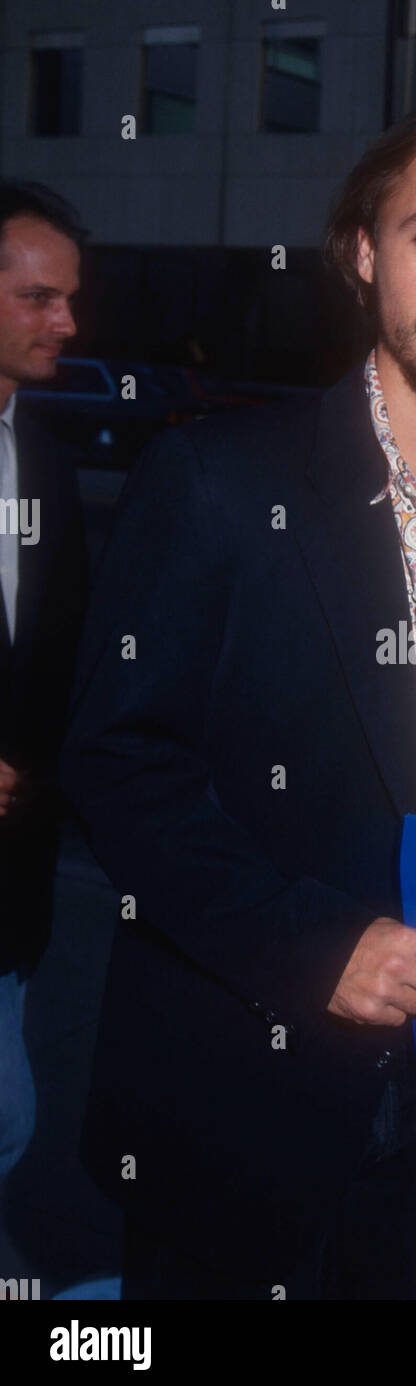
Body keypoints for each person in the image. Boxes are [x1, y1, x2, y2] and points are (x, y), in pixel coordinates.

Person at [60, 85, 416, 1301]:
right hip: (234, 1095)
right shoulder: (213, 481)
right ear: (364, 254)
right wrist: (310, 944)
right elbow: (118, 762)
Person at [0, 182, 87, 1185]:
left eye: (69, 297)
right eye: (37, 298)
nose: (67, 321)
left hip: (13, 899)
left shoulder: (48, 465)